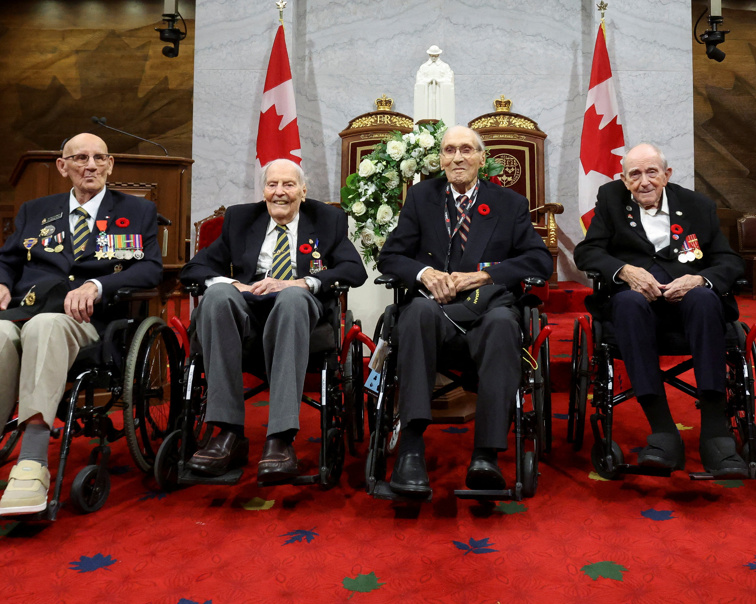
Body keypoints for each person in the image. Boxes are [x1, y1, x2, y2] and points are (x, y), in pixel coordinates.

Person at [377, 125, 552, 497]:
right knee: (414, 316)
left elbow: (538, 259)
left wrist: (484, 276)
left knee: (505, 325)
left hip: (488, 311)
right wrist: (425, 273)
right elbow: (389, 256)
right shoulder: (421, 198)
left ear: (482, 158)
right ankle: (410, 449)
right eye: (449, 150)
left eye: (467, 150)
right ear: (439, 158)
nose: (457, 157)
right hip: (434, 311)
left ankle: (486, 455)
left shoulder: (509, 203)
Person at [0, 133, 162, 514]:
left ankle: (33, 462)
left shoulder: (137, 212)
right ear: (63, 167)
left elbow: (151, 268)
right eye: (80, 158)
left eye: (98, 158)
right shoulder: (35, 210)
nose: (90, 165)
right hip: (25, 310)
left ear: (110, 164)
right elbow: (7, 259)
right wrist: (3, 282)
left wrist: (98, 284)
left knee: (47, 327)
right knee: (1, 332)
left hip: (88, 322)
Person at [180, 158, 366, 483]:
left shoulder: (328, 220)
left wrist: (299, 283)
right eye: (272, 185)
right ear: (263, 191)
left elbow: (354, 270)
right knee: (216, 296)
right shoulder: (240, 219)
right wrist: (233, 284)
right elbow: (194, 269)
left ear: (303, 191)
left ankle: (280, 438)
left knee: (292, 299)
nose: (279, 192)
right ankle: (227, 432)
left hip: (300, 316)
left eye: (289, 185)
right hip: (246, 315)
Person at [574, 143, 747, 476]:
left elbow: (729, 261)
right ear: (624, 180)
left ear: (666, 175)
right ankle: (663, 431)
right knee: (626, 302)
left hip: (690, 306)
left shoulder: (698, 206)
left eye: (651, 172)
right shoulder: (611, 200)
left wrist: (700, 280)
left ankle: (715, 432)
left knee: (704, 299)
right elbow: (588, 252)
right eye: (634, 174)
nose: (644, 181)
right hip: (637, 305)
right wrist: (623, 271)